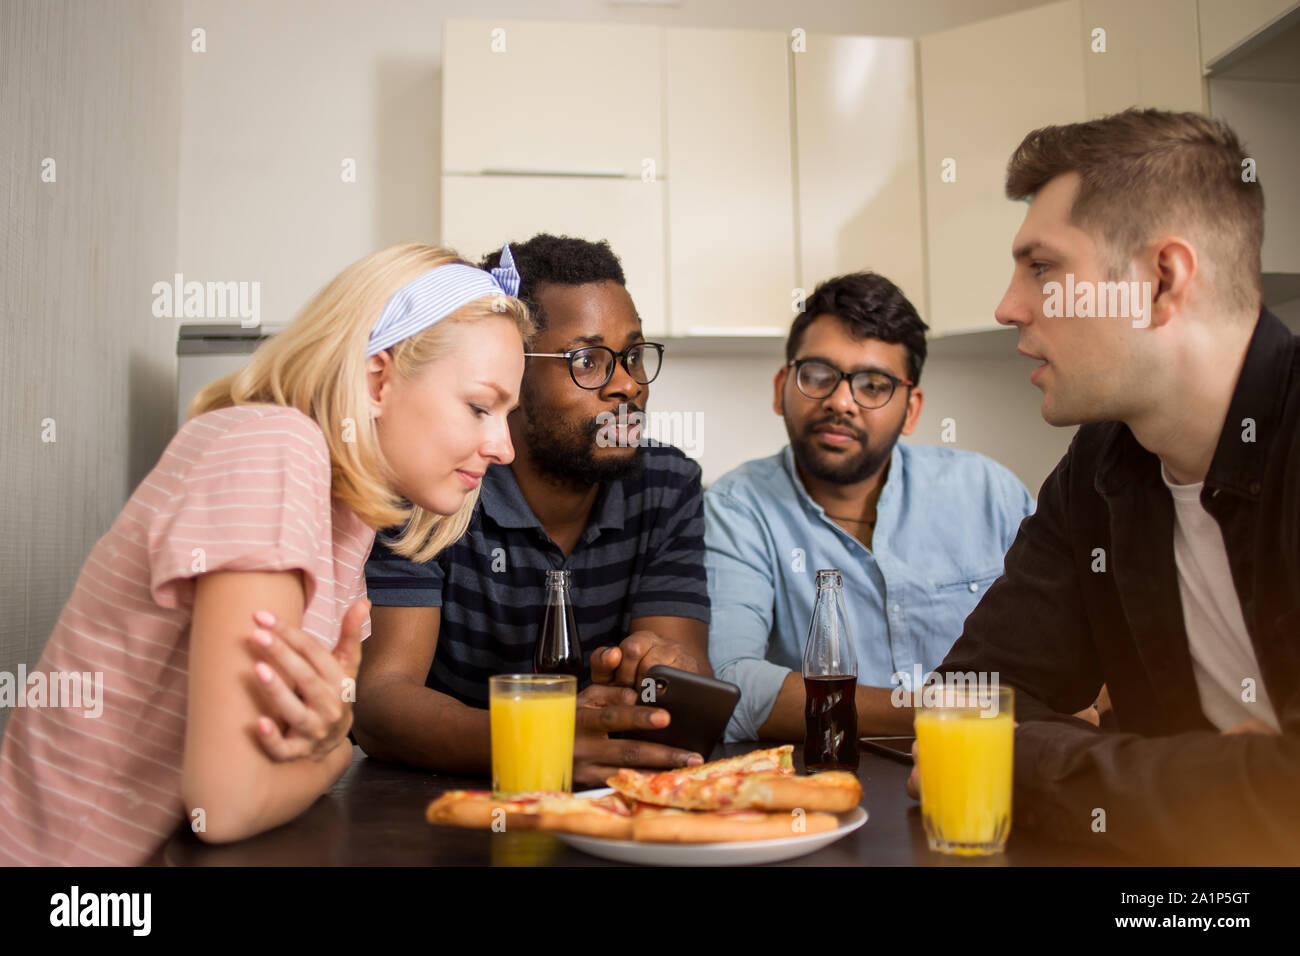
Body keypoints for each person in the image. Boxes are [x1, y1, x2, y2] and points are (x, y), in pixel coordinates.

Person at [0, 242, 532, 864]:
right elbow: (225, 805)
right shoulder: (272, 450)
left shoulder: (344, 517)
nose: (504, 448)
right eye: (478, 407)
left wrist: (330, 733)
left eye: (507, 415)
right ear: (377, 380)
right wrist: (333, 748)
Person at [909, 108, 1300, 864]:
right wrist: (1217, 776)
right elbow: (964, 704)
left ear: (1160, 281)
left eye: (1044, 268)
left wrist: (1031, 760)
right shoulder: (1099, 466)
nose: (1008, 306)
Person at [358, 234, 711, 786]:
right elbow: (380, 703)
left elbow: (684, 682)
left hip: (607, 809)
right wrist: (538, 744)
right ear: (510, 370)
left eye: (634, 355)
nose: (627, 386)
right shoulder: (432, 484)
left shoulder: (666, 485)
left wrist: (664, 670)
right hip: (444, 814)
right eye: (587, 360)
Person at [706, 272, 1036, 742]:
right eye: (817, 375)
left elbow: (1076, 639)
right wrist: (948, 715)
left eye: (874, 385)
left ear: (912, 409)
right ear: (782, 385)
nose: (841, 401)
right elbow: (732, 684)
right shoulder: (736, 509)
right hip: (821, 793)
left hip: (987, 778)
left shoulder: (987, 492)